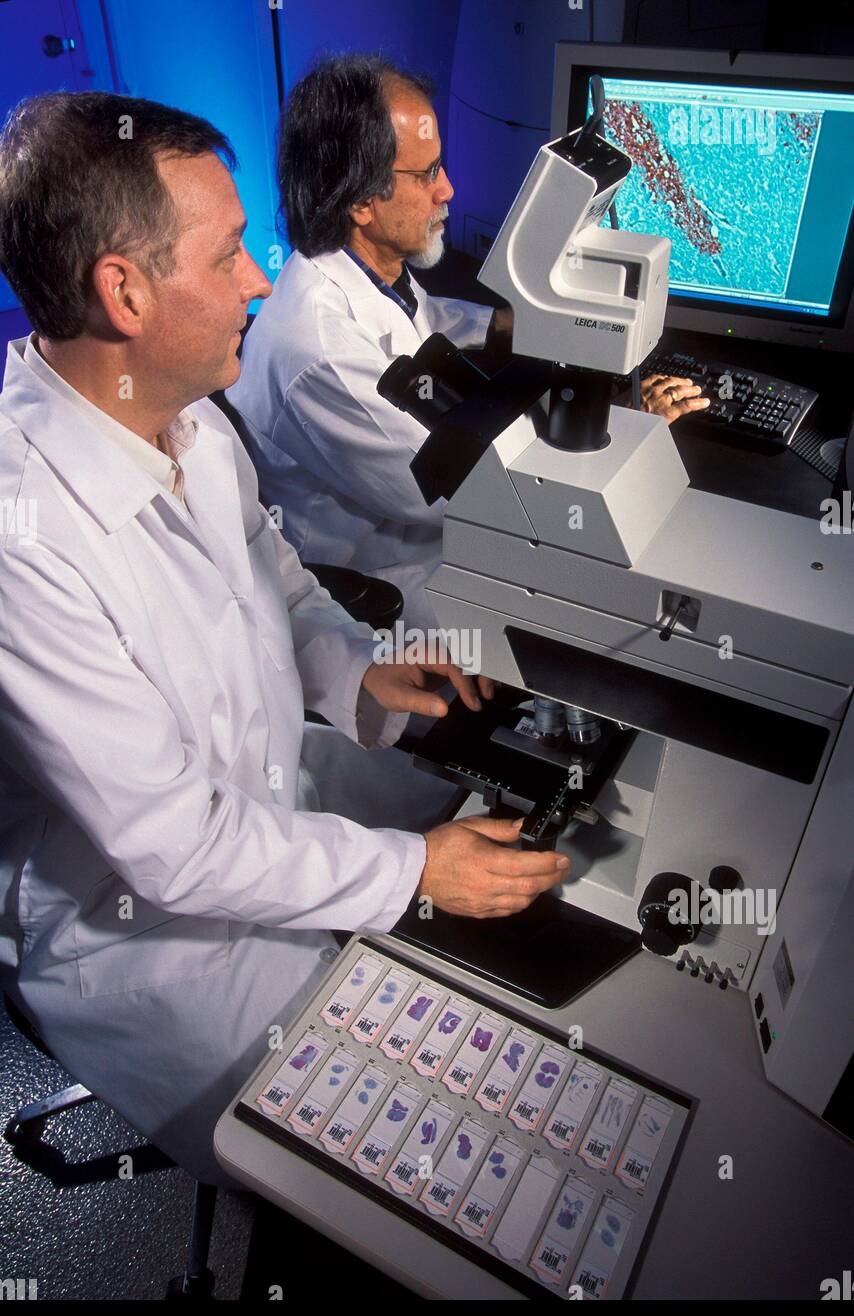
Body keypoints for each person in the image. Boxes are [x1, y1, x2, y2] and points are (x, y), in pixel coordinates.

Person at [0, 92, 568, 1186]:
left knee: (491, 823)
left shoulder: (188, 416)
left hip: (267, 788)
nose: (260, 280)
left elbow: (280, 576)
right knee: (420, 1146)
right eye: (226, 259)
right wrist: (411, 872)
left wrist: (359, 669)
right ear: (123, 290)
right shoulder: (24, 538)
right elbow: (175, 847)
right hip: (145, 932)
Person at [228, 54, 709, 631]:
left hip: (432, 535)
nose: (448, 189)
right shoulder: (320, 351)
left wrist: (520, 325)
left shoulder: (370, 275)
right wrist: (627, 424)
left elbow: (429, 323)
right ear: (360, 199)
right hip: (393, 579)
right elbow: (469, 493)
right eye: (427, 173)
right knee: (618, 601)